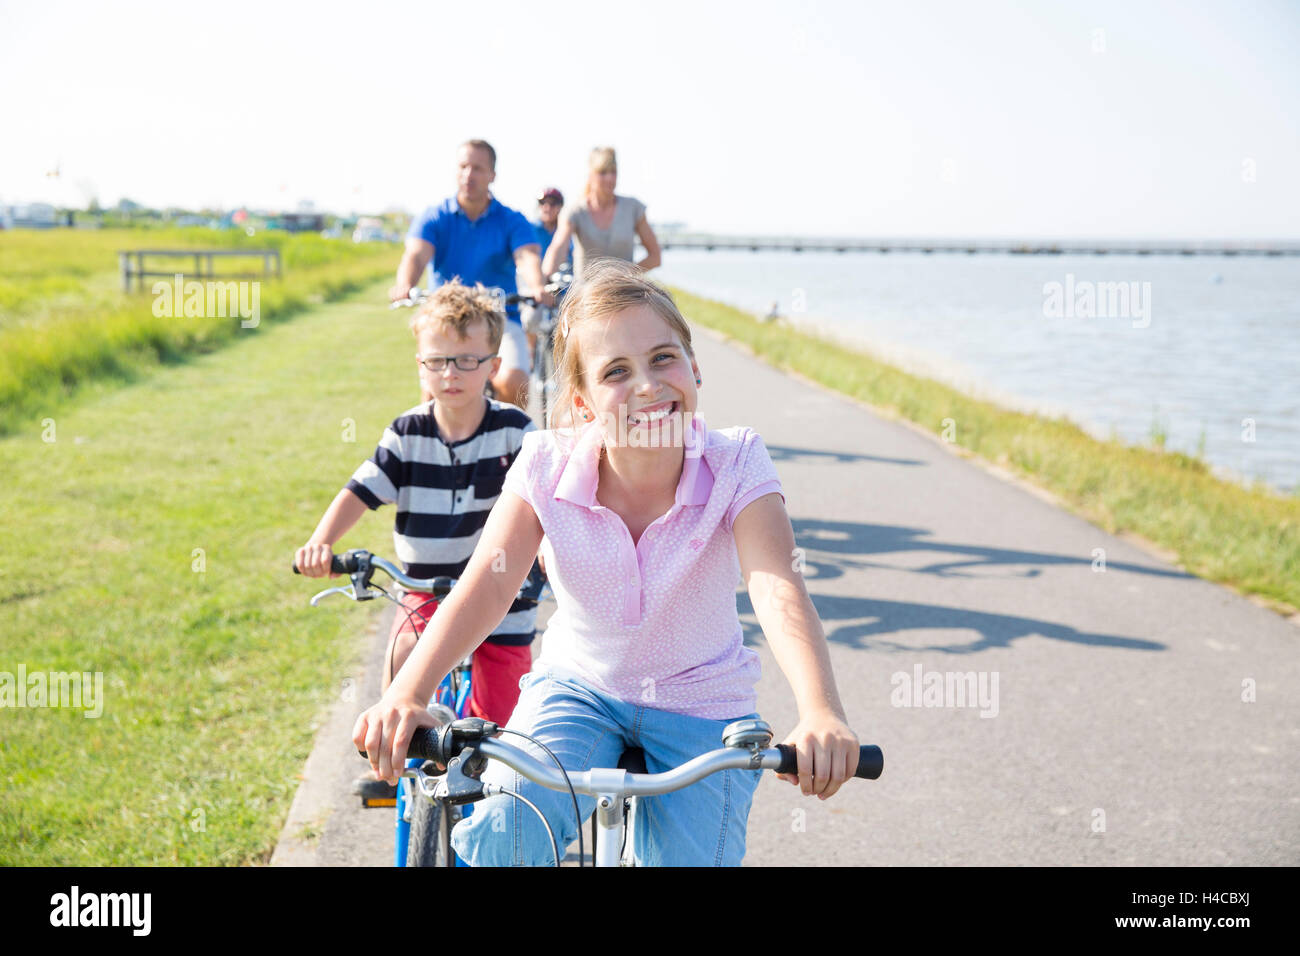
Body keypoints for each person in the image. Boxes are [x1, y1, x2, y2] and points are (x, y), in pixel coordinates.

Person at [353, 259, 859, 866]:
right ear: (584, 404)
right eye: (616, 371)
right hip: (580, 687)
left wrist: (820, 709)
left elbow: (776, 586)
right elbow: (487, 586)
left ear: (695, 367)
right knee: (506, 836)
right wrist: (410, 689)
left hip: (703, 702)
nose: (648, 385)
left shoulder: (737, 460)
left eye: (664, 358)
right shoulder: (544, 461)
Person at [299, 281, 539, 796]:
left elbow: (549, 505)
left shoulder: (517, 433)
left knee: (500, 729)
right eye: (436, 362)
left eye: (465, 361)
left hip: (506, 601)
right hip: (425, 589)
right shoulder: (406, 433)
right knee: (406, 647)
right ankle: (394, 757)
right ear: (419, 366)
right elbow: (359, 491)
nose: (449, 374)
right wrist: (321, 541)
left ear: (494, 367)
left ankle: (497, 793)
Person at [391, 139, 554, 409]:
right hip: (445, 319)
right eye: (463, 166)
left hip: (499, 319)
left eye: (478, 168)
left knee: (514, 382)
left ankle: (510, 449)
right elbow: (416, 255)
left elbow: (526, 256)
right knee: (431, 396)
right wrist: (405, 284)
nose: (469, 174)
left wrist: (537, 285)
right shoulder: (434, 217)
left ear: (492, 175)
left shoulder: (511, 219)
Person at [542, 147, 662, 280]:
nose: (610, 178)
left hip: (623, 292)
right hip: (587, 294)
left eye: (613, 172)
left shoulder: (633, 208)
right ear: (591, 175)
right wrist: (543, 279)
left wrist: (626, 275)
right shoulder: (575, 212)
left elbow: (655, 257)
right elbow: (558, 248)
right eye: (603, 172)